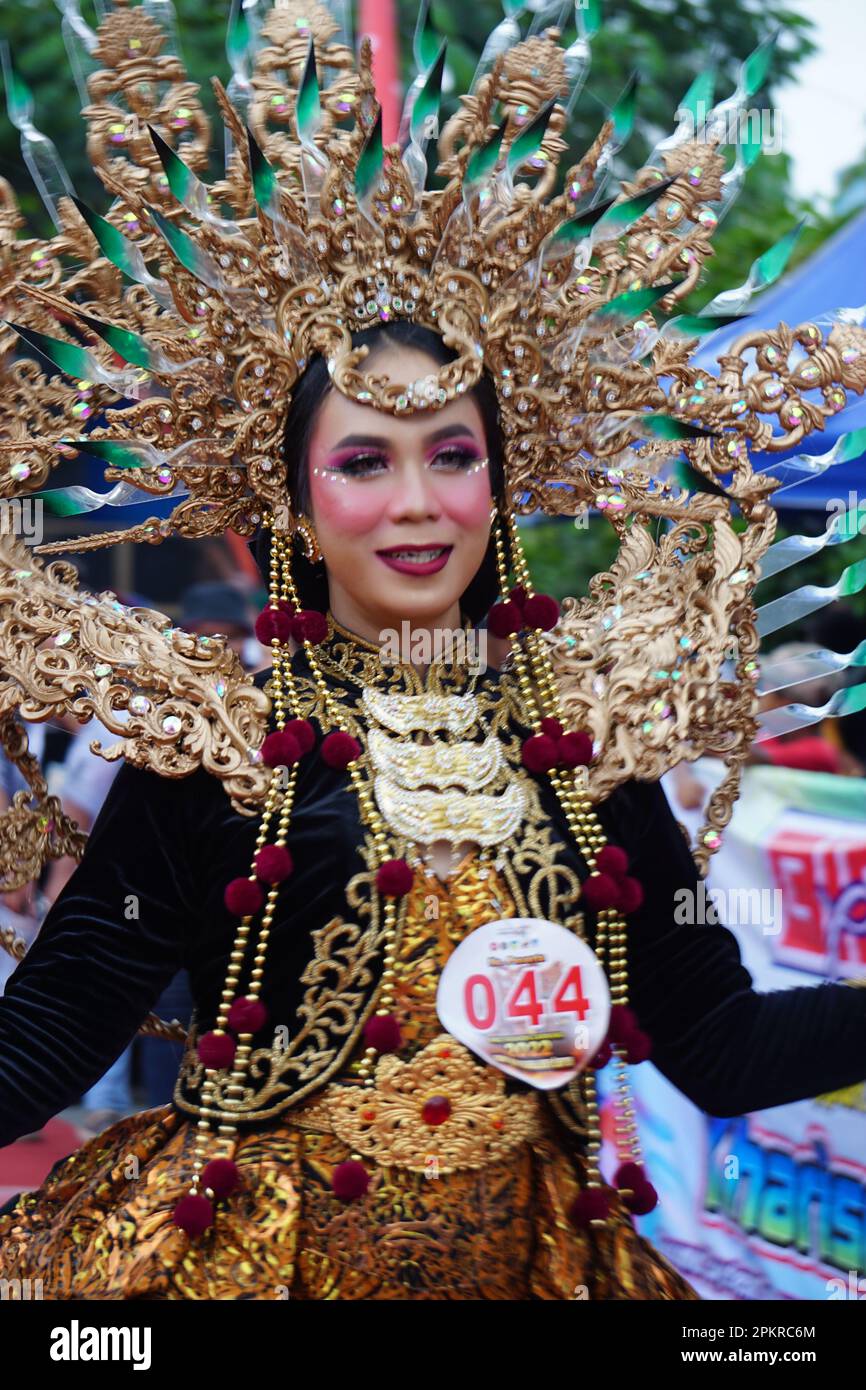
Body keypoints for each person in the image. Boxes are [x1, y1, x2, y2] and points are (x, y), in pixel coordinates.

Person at [2, 14, 866, 1301]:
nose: (417, 503)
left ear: (499, 483)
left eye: (451, 455)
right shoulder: (221, 751)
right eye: (363, 461)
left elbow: (721, 1046)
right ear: (294, 505)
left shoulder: (591, 739)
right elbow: (53, 1035)